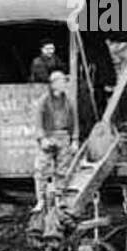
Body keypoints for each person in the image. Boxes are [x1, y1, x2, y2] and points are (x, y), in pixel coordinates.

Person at [32, 69, 77, 213]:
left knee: (62, 171)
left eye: (64, 81)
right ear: (53, 84)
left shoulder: (68, 101)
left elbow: (75, 123)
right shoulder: (44, 101)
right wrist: (42, 139)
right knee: (41, 170)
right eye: (61, 81)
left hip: (63, 136)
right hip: (48, 136)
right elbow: (38, 122)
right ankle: (40, 200)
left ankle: (59, 199)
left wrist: (75, 140)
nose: (64, 84)